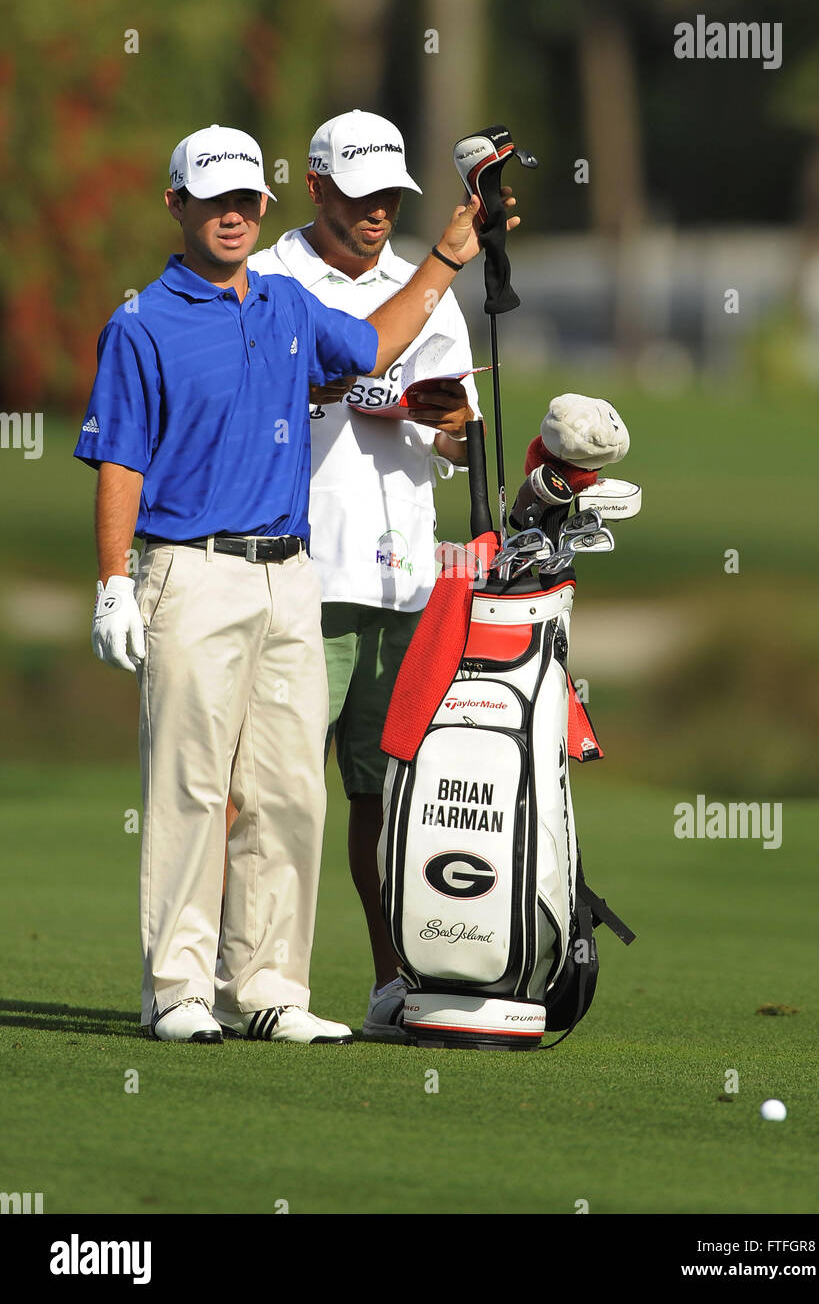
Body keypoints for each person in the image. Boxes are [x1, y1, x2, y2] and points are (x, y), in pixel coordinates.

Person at [75, 122, 503, 1045]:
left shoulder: (280, 305)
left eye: (243, 203)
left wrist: (444, 260)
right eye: (214, 201)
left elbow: (372, 347)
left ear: (262, 206)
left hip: (287, 577)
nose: (231, 217)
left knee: (287, 793)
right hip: (189, 571)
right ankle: (179, 990)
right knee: (192, 787)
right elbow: (119, 461)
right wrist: (113, 580)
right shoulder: (141, 321)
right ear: (177, 206)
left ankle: (269, 990)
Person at [248, 110, 493, 1041]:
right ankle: (267, 983)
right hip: (302, 569)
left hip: (407, 578)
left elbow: (456, 434)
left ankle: (392, 982)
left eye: (390, 195)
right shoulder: (269, 280)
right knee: (277, 793)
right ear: (316, 188)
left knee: (382, 799)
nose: (377, 213)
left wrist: (452, 431)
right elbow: (282, 390)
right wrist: (358, 385)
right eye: (359, 196)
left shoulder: (422, 288)